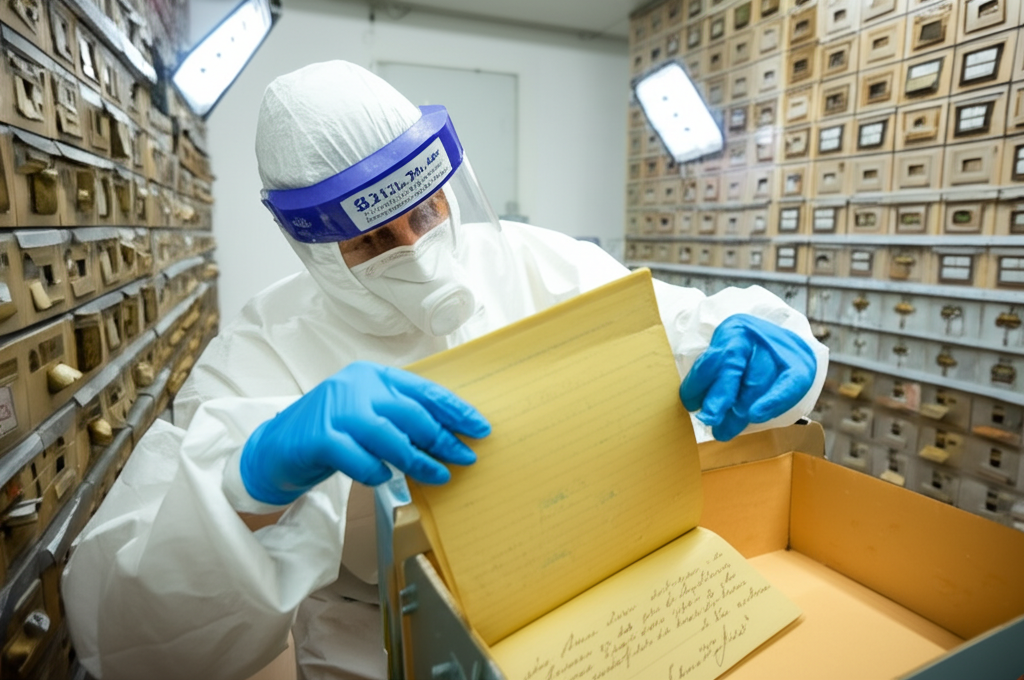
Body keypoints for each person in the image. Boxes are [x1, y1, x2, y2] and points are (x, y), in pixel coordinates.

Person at [61, 60, 828, 680]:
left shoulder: (540, 261)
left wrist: (762, 343)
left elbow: (702, 331)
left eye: (427, 212)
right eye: (372, 241)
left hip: (601, 602)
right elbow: (123, 631)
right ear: (313, 245)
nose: (417, 248)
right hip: (380, 641)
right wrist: (252, 480)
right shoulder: (265, 345)